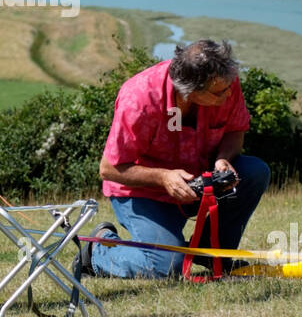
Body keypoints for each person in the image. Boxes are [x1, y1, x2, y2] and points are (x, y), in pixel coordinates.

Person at [88, 39, 269, 279]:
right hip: (143, 193)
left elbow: (235, 130)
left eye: (228, 87)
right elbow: (109, 169)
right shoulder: (139, 99)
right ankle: (98, 251)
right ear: (191, 91)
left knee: (255, 171)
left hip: (199, 182)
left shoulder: (225, 81)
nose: (229, 93)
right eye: (219, 93)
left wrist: (224, 159)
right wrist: (163, 177)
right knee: (165, 266)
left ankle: (213, 253)